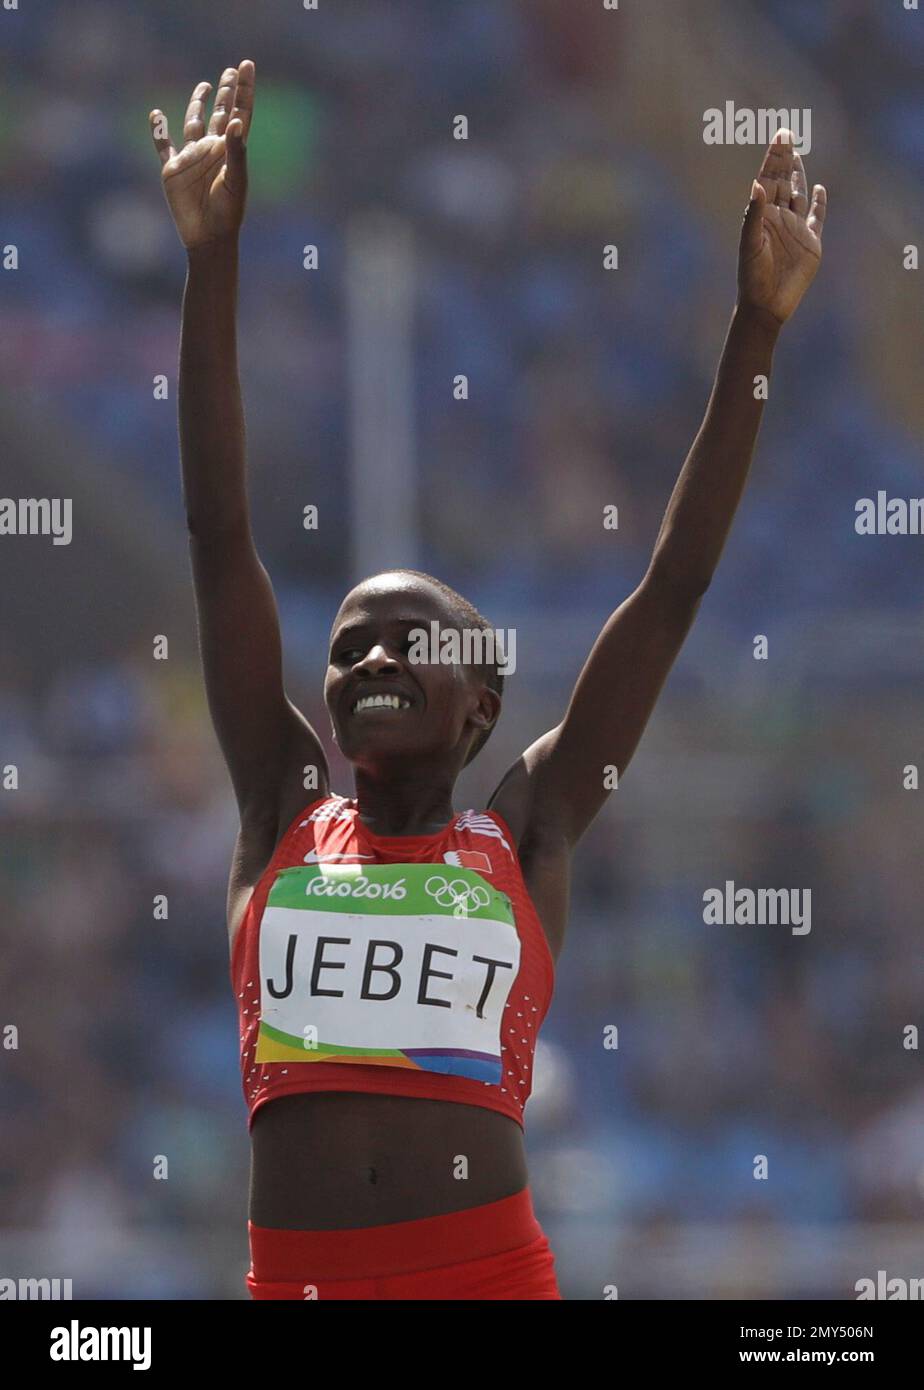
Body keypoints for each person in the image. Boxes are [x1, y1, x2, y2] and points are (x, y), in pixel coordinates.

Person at [150, 61, 826, 1300]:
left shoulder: (531, 828)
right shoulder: (281, 810)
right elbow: (217, 533)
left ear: (484, 707)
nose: (368, 661)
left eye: (411, 640)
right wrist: (211, 256)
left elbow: (671, 589)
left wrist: (757, 330)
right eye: (350, 646)